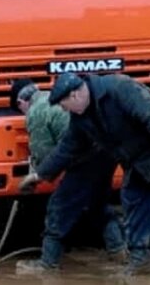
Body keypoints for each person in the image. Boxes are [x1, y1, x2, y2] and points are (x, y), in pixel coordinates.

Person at [22, 72, 150, 282]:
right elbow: (67, 149)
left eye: (64, 105)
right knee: (136, 200)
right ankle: (142, 261)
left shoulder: (118, 88)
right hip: (139, 156)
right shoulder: (81, 118)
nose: (63, 110)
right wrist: (40, 174)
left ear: (75, 95)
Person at [8, 78, 126, 272]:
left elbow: (45, 154)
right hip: (106, 154)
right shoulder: (53, 98)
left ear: (21, 102)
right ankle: (118, 252)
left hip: (84, 160)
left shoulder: (36, 111)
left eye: (20, 110)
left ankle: (47, 263)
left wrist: (34, 178)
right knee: (98, 204)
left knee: (58, 207)